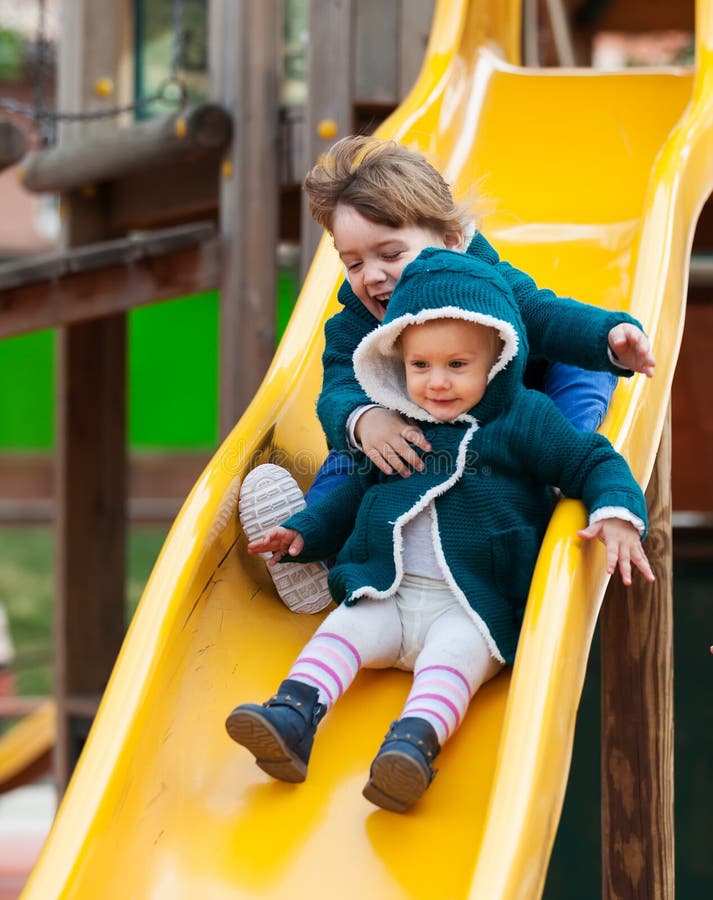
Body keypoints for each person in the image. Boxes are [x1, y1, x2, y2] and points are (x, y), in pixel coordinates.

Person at [226, 248, 654, 813]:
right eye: (421, 366)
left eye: (458, 366)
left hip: (470, 607)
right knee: (343, 629)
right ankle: (292, 716)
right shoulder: (402, 422)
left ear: (497, 358)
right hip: (391, 590)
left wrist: (618, 513)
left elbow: (590, 461)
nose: (438, 383)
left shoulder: (523, 418)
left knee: (452, 662)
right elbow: (357, 492)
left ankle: (411, 747)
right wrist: (307, 531)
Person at [238, 135, 656, 614]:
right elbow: (337, 384)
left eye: (391, 255)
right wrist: (364, 419)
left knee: (579, 365)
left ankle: (560, 464)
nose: (371, 275)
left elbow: (543, 315)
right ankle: (313, 547)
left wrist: (609, 338)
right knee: (354, 454)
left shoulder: (484, 283)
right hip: (416, 441)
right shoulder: (356, 319)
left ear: (452, 239)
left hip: (506, 428)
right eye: (353, 263)